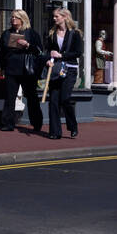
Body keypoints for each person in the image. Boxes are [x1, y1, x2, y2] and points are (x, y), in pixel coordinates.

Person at [0, 9, 44, 133]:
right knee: (10, 97)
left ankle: (37, 123)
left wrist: (27, 45)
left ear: (22, 19)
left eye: (16, 17)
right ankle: (7, 123)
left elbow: (39, 51)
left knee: (31, 97)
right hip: (11, 69)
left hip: (27, 70)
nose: (13, 19)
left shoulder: (31, 34)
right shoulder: (6, 34)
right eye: (12, 17)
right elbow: (0, 52)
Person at [45, 8, 82, 139]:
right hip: (55, 70)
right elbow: (48, 51)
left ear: (65, 17)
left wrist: (62, 55)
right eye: (54, 17)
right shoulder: (51, 34)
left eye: (56, 16)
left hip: (70, 69)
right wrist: (48, 60)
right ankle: (55, 132)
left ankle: (72, 126)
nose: (54, 19)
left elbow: (78, 52)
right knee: (54, 101)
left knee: (65, 98)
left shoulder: (75, 33)